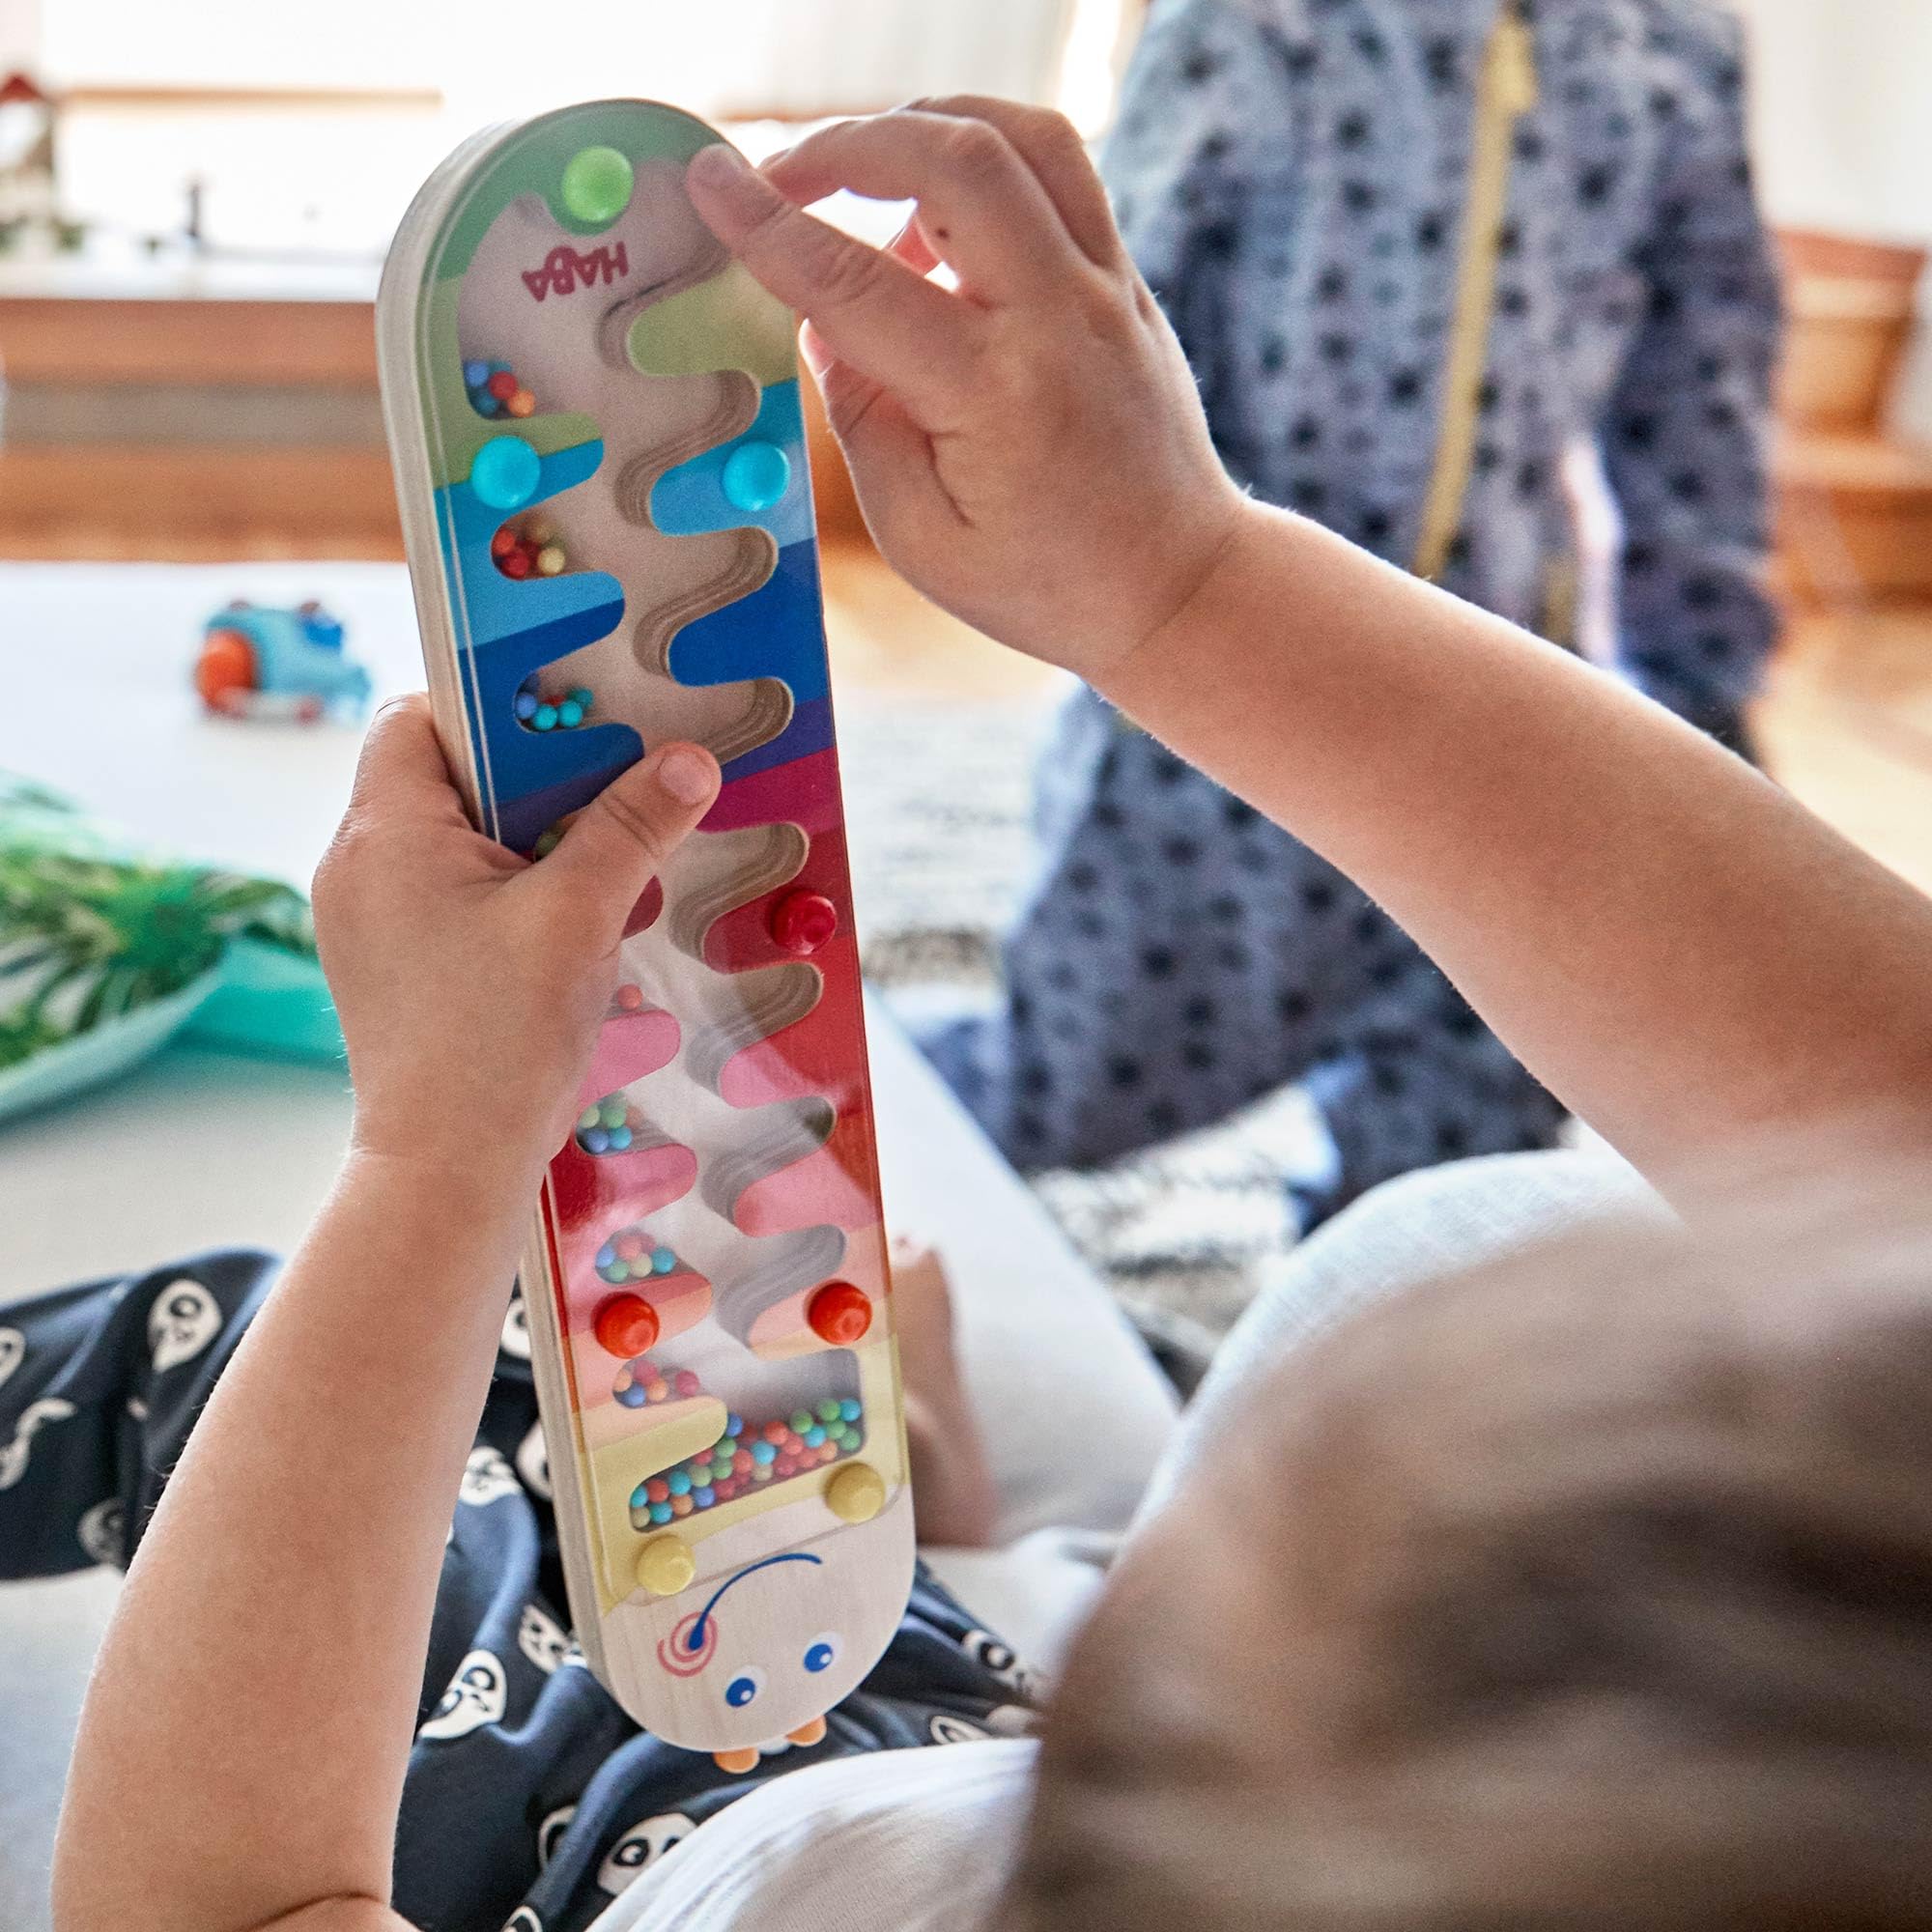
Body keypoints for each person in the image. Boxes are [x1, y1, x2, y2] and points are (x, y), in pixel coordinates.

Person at [33, 102, 1932, 1932]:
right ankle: (967, 1540)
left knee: (219, 1355)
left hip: (618, 1837)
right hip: (965, 1700)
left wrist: (430, 1168)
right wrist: (1182, 582)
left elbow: (232, 1896)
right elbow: (1891, 1122)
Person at [916, 0, 1787, 1232]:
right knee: (1074, 1080)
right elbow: (1109, 312)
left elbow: (1696, 389)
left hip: (1510, 711)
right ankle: (824, 1113)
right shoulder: (1253, 27)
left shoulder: (1670, 48)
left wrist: (1698, 676)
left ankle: (1345, 1396)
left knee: (1457, 1161)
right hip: (1227, 691)